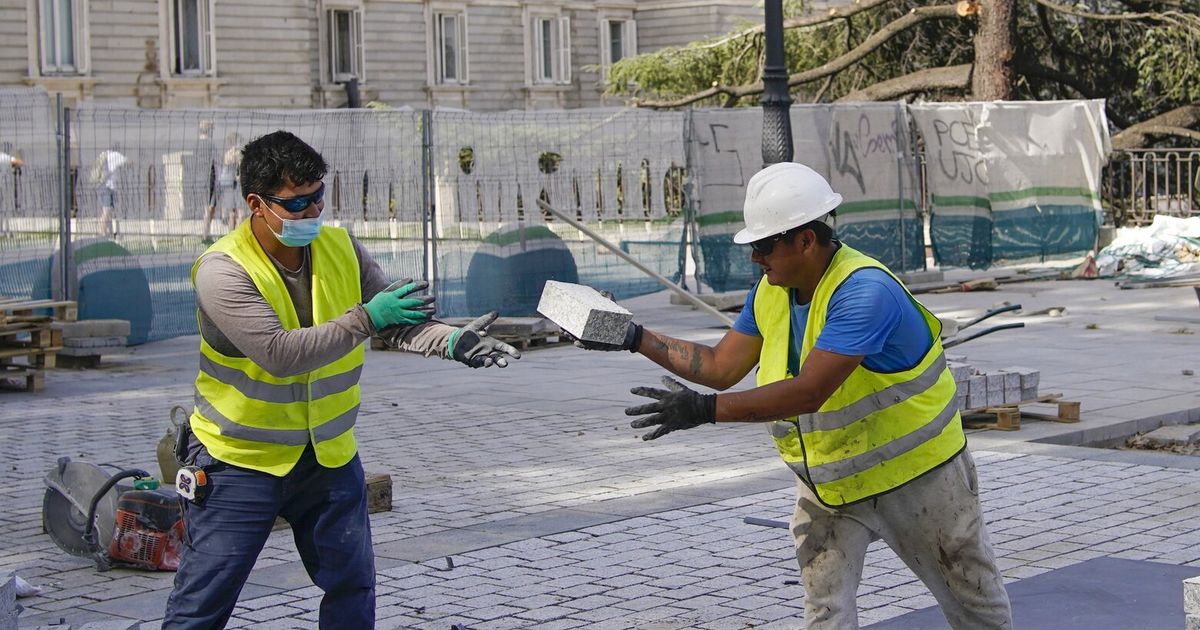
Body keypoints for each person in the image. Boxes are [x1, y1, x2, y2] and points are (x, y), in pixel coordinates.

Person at [578, 162, 1013, 630]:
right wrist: (631, 335)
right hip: (833, 484)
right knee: (825, 610)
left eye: (765, 246)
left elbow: (809, 392)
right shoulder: (771, 292)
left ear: (806, 239)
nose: (755, 259)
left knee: (972, 603)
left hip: (918, 478)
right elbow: (721, 368)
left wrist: (702, 411)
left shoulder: (865, 292)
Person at [162, 130, 521, 629]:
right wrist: (367, 319)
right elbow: (279, 354)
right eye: (297, 203)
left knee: (352, 584)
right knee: (204, 602)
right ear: (256, 204)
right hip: (239, 462)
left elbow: (394, 317)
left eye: (318, 196)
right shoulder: (222, 270)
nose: (313, 212)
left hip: (327, 457)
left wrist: (452, 341)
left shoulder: (339, 246)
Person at [201, 132, 243, 244]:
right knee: (237, 213)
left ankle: (208, 235)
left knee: (230, 212)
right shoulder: (238, 154)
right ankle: (234, 238)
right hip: (233, 184)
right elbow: (238, 171)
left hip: (222, 183)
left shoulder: (227, 154)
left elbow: (225, 167)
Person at [91, 145, 127, 238]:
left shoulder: (104, 155)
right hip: (108, 188)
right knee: (106, 210)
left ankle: (106, 231)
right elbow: (128, 161)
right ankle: (101, 232)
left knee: (107, 210)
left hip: (103, 186)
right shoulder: (115, 155)